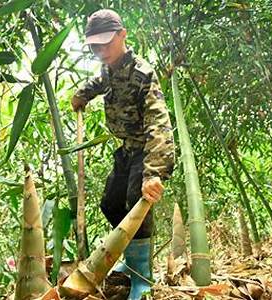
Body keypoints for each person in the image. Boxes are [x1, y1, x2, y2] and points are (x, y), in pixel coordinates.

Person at [72, 9, 175, 300]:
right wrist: (83, 94)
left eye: (106, 43)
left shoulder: (143, 73)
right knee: (110, 203)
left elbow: (159, 124)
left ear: (123, 35)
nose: (101, 51)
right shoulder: (109, 67)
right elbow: (101, 82)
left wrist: (153, 173)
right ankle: (130, 261)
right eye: (95, 46)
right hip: (126, 149)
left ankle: (142, 276)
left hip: (146, 150)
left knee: (136, 204)